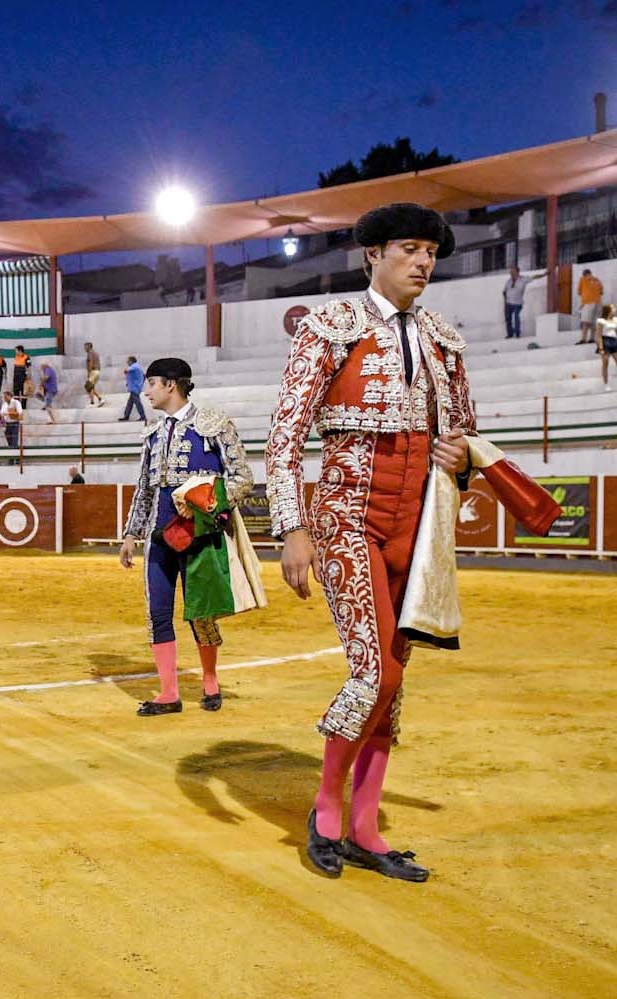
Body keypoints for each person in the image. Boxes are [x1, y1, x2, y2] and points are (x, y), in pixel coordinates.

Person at [267, 202, 476, 883]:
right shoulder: (331, 325)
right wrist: (291, 526)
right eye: (410, 248)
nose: (423, 261)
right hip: (347, 517)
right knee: (374, 672)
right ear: (372, 256)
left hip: (416, 529)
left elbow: (465, 435)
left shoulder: (445, 337)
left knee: (396, 677)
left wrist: (458, 455)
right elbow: (285, 435)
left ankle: (366, 824)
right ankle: (328, 809)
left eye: (430, 252)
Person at [119, 358, 254, 717]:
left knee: (202, 614)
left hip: (200, 536)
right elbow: (144, 491)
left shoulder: (213, 425)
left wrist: (205, 506)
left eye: (151, 384)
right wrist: (132, 533)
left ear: (171, 385)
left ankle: (210, 681)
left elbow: (242, 477)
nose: (145, 391)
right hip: (158, 538)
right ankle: (168, 693)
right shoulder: (152, 433)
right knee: (157, 614)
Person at [501, 266, 541, 339]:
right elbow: (504, 291)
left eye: (512, 272)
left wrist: (544, 274)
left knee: (516, 316)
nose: (511, 273)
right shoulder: (508, 281)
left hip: (518, 303)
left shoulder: (523, 279)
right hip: (508, 303)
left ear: (517, 272)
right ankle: (510, 334)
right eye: (510, 272)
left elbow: (534, 277)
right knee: (508, 319)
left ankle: (517, 333)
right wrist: (505, 300)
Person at [577, 269, 604, 350]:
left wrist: (583, 304)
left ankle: (583, 339)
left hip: (588, 303)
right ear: (590, 273)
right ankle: (592, 339)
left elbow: (579, 292)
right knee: (593, 322)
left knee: (585, 322)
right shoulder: (598, 280)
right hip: (598, 303)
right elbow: (601, 292)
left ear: (584, 274)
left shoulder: (582, 279)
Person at [120, 355, 146, 421]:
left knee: (137, 403)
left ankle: (143, 416)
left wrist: (126, 371)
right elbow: (143, 375)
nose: (127, 363)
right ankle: (126, 416)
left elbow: (127, 370)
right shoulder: (138, 366)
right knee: (130, 403)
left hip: (135, 388)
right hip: (135, 387)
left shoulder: (134, 366)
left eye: (128, 361)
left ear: (131, 361)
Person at [598, 304, 617, 392]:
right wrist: (601, 348)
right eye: (613, 308)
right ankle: (606, 384)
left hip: (614, 341)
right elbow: (599, 335)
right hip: (605, 341)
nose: (615, 309)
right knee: (605, 363)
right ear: (608, 310)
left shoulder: (615, 320)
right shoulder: (601, 321)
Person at [0, 390, 23, 454]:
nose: (4, 398)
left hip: (14, 423)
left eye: (6, 397)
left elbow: (20, 412)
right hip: (6, 423)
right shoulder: (4, 404)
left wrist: (9, 413)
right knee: (9, 440)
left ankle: (16, 457)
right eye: (4, 397)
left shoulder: (16, 402)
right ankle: (11, 456)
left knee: (14, 440)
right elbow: (2, 413)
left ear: (10, 396)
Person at [84, 342, 105, 407]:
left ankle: (98, 400)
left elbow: (91, 363)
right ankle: (95, 401)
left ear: (89, 347)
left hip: (93, 371)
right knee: (91, 387)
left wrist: (89, 372)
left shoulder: (90, 353)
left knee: (87, 386)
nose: (84, 348)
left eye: (85, 347)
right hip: (97, 371)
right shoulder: (95, 353)